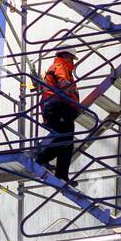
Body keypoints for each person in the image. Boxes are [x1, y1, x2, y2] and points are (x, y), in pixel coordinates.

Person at [34, 50, 81, 182]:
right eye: (72, 58)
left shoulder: (61, 67)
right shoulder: (61, 66)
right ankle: (42, 159)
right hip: (58, 106)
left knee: (68, 142)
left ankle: (62, 175)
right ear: (66, 56)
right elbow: (63, 84)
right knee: (65, 139)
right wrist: (71, 91)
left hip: (59, 107)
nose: (72, 62)